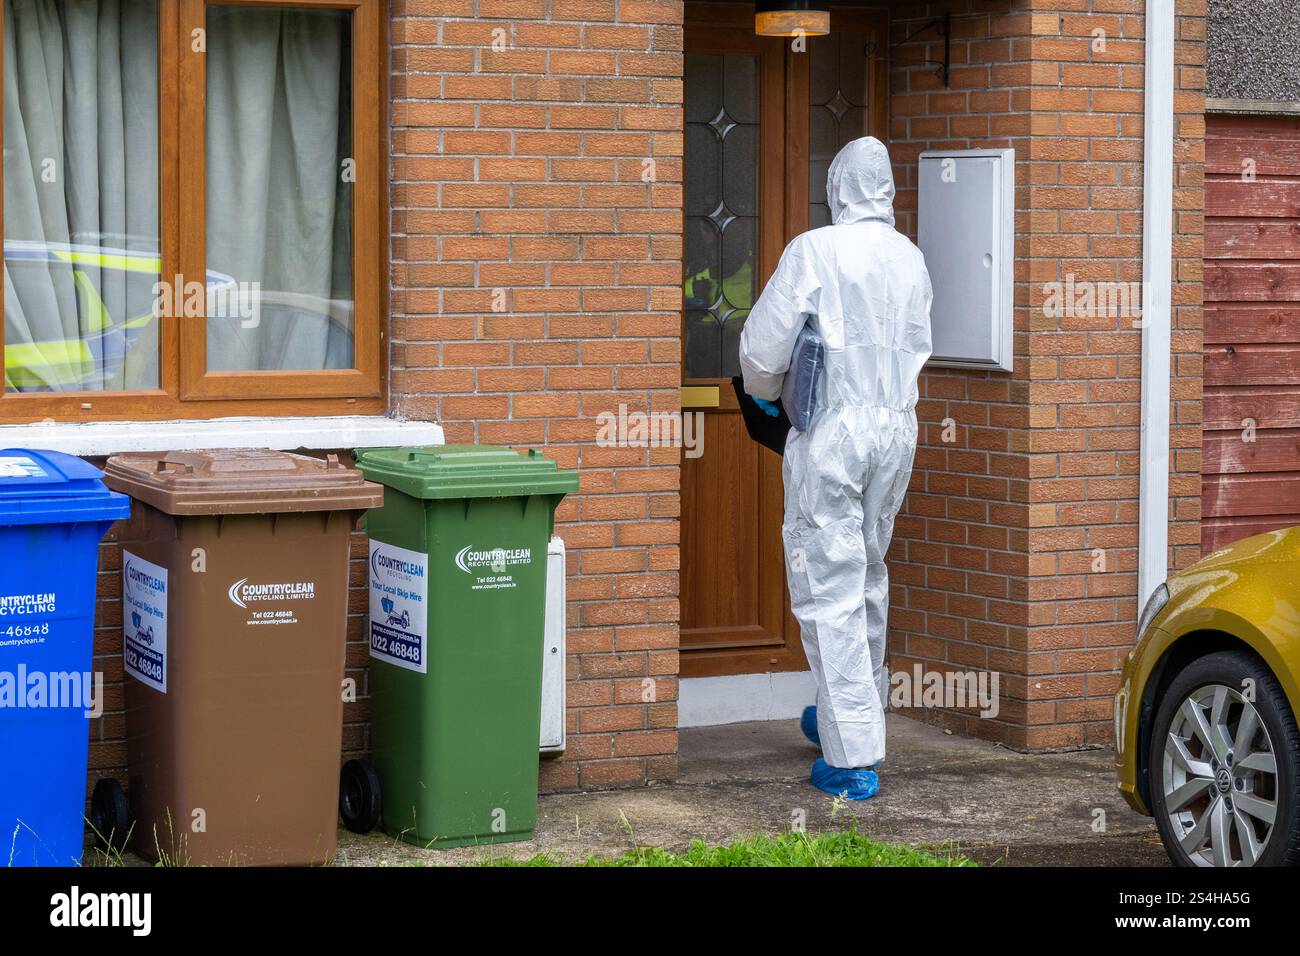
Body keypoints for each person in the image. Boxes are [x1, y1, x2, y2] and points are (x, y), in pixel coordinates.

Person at [738, 136, 933, 800]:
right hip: (895, 430)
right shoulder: (911, 258)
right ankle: (845, 713)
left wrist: (765, 397)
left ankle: (850, 757)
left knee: (830, 581)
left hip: (835, 431)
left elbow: (762, 351)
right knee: (867, 572)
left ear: (839, 186)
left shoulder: (815, 250)